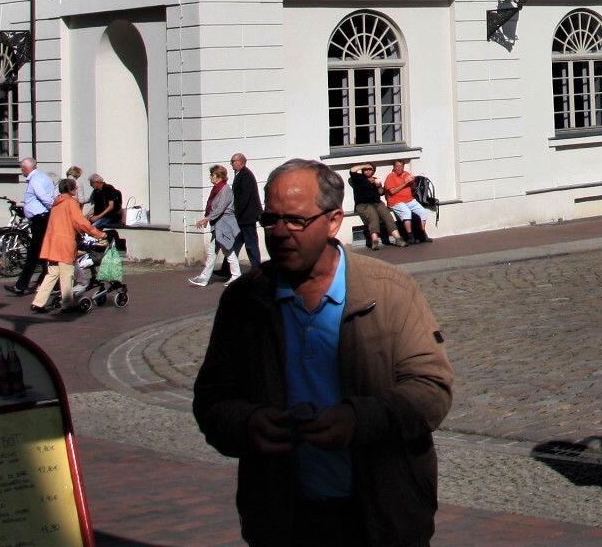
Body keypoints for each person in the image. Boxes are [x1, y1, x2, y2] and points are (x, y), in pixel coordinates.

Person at [191, 159, 455, 547]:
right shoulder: (244, 300)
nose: (279, 233)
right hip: (284, 519)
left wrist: (358, 419)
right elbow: (212, 400)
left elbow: (432, 391)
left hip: (382, 515)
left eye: (296, 221)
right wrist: (248, 423)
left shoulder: (390, 291)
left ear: (334, 222)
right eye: (270, 220)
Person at [30, 177, 99, 313]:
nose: (77, 189)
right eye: (75, 187)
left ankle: (38, 303)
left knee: (52, 273)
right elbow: (81, 222)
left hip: (52, 243)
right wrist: (98, 234)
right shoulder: (71, 203)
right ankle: (67, 304)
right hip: (65, 243)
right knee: (67, 274)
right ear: (71, 189)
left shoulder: (56, 203)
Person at [12, 157, 58, 297]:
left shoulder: (36, 180)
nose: (22, 171)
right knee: (42, 251)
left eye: (22, 169)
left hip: (40, 219)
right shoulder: (43, 177)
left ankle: (22, 284)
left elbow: (45, 198)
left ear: (26, 168)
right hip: (42, 218)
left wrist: (54, 208)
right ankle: (47, 281)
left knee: (34, 252)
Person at [192, 165, 244, 287]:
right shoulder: (217, 189)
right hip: (218, 225)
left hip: (224, 224)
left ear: (219, 176)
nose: (210, 177)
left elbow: (220, 208)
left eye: (212, 175)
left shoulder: (225, 190)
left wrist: (206, 219)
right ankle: (204, 278)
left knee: (228, 251)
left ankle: (236, 276)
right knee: (212, 252)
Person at [348, 167, 402, 249]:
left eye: (370, 169)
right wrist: (364, 165)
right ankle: (375, 241)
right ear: (362, 170)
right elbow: (352, 170)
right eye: (366, 169)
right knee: (373, 216)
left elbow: (381, 193)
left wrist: (379, 186)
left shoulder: (376, 179)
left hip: (377, 203)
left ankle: (398, 238)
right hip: (363, 205)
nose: (368, 171)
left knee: (387, 216)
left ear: (373, 171)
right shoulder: (358, 178)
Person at [381, 161, 434, 245]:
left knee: (422, 212)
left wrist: (412, 182)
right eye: (397, 166)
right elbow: (392, 191)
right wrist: (405, 183)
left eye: (401, 166)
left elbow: (413, 188)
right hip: (396, 201)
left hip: (409, 199)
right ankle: (410, 236)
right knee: (406, 212)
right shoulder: (390, 177)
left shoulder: (406, 174)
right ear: (394, 168)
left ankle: (422, 234)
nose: (399, 168)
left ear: (403, 167)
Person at [230, 153, 264, 267]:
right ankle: (227, 269)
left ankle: (257, 268)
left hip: (247, 217)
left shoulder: (246, 175)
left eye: (233, 161)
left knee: (251, 244)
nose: (231, 163)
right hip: (243, 217)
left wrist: (236, 213)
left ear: (241, 162)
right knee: (235, 243)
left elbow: (245, 197)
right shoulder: (240, 174)